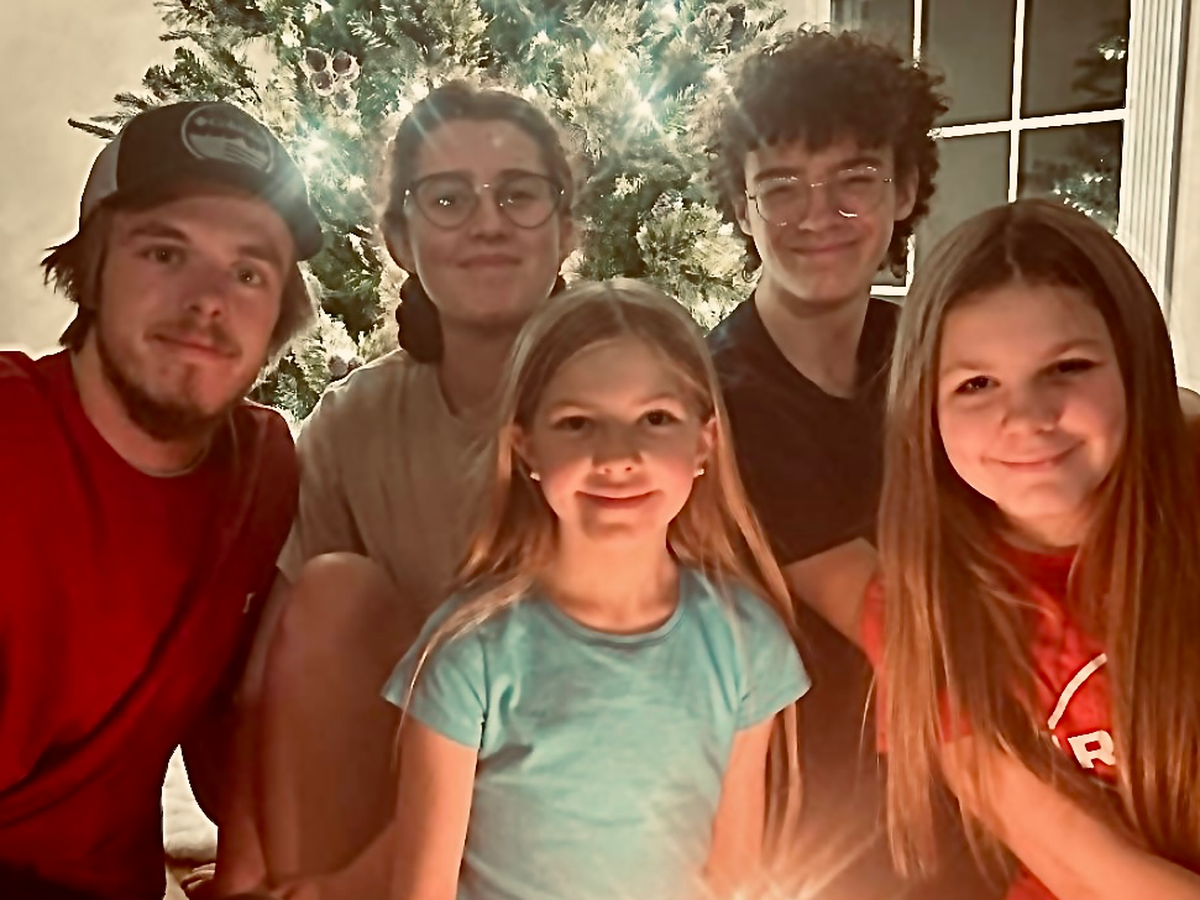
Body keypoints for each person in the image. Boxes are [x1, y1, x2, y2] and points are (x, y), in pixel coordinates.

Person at [216, 81, 579, 892]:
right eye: (447, 199)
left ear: (566, 230)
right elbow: (273, 681)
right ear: (399, 238)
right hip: (390, 794)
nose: (487, 223)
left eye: (518, 195)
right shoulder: (356, 419)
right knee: (331, 590)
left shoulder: (626, 413)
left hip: (575, 801)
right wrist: (245, 881)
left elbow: (607, 702)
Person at [378, 278, 807, 900]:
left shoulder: (747, 643)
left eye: (655, 419)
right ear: (525, 446)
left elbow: (733, 876)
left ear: (704, 442)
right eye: (577, 423)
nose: (617, 456)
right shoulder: (470, 653)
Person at [0, 100, 322, 899]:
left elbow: (235, 732)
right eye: (165, 252)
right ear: (91, 270)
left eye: (249, 272)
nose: (209, 299)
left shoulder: (265, 467)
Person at [704, 28, 989, 899]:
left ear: (905, 189)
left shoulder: (927, 354)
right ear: (742, 207)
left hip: (956, 790)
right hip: (811, 825)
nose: (817, 214)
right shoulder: (718, 396)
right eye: (780, 186)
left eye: (854, 178)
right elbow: (888, 621)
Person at [861, 198, 1200, 899]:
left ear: (1136, 367)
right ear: (925, 409)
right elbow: (1077, 861)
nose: (1026, 417)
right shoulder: (919, 604)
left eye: (1067, 367)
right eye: (976, 384)